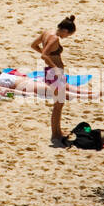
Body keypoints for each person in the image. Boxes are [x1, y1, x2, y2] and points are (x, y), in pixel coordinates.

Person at [32, 16, 77, 145]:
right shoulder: (54, 38)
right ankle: (55, 134)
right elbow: (44, 55)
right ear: (64, 30)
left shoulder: (47, 32)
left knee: (59, 104)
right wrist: (56, 68)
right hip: (54, 73)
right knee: (58, 105)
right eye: (68, 34)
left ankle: (58, 132)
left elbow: (33, 45)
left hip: (50, 72)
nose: (66, 37)